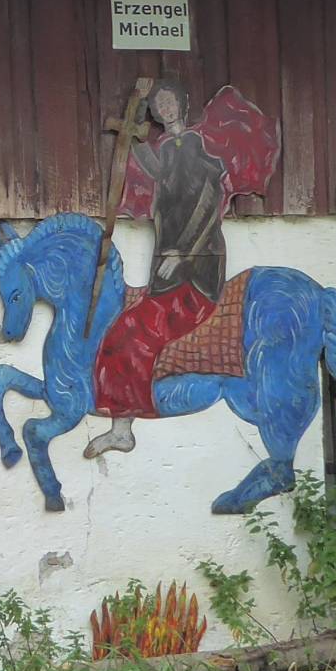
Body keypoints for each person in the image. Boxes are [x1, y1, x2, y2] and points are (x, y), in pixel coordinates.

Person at [86, 79, 228, 458]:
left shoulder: (193, 146)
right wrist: (134, 105)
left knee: (131, 334)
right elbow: (150, 163)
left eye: (169, 101)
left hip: (196, 275)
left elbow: (208, 206)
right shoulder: (168, 149)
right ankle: (121, 427)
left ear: (182, 104)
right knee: (121, 333)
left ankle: (122, 430)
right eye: (158, 104)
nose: (164, 108)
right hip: (170, 274)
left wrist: (185, 255)